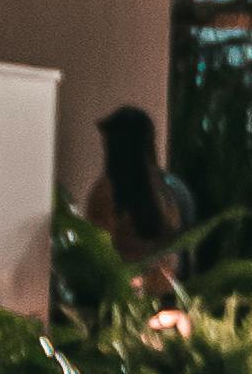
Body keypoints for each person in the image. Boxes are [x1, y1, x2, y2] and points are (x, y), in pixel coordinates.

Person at [81, 103, 192, 295]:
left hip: (122, 293)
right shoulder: (168, 189)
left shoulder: (105, 193)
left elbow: (98, 250)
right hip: (164, 290)